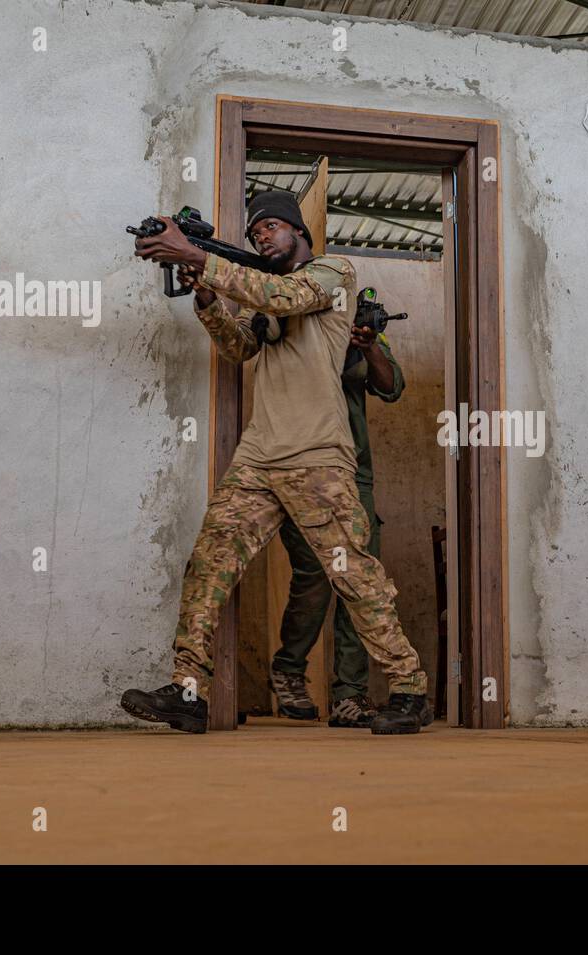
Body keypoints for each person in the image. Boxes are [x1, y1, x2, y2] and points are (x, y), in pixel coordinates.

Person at [120, 189, 432, 735]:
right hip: (259, 457)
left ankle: (409, 688)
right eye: (254, 230)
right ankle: (188, 690)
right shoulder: (261, 296)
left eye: (270, 226)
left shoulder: (333, 272)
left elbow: (288, 298)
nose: (260, 234)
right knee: (210, 565)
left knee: (355, 578)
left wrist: (197, 257)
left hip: (318, 456)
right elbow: (240, 348)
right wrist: (207, 298)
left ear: (299, 233)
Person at [270, 305, 407, 728]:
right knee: (314, 573)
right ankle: (289, 669)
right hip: (298, 465)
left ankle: (351, 694)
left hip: (352, 472)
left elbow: (391, 387)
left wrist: (368, 348)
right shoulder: (291, 319)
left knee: (358, 579)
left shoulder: (361, 333)